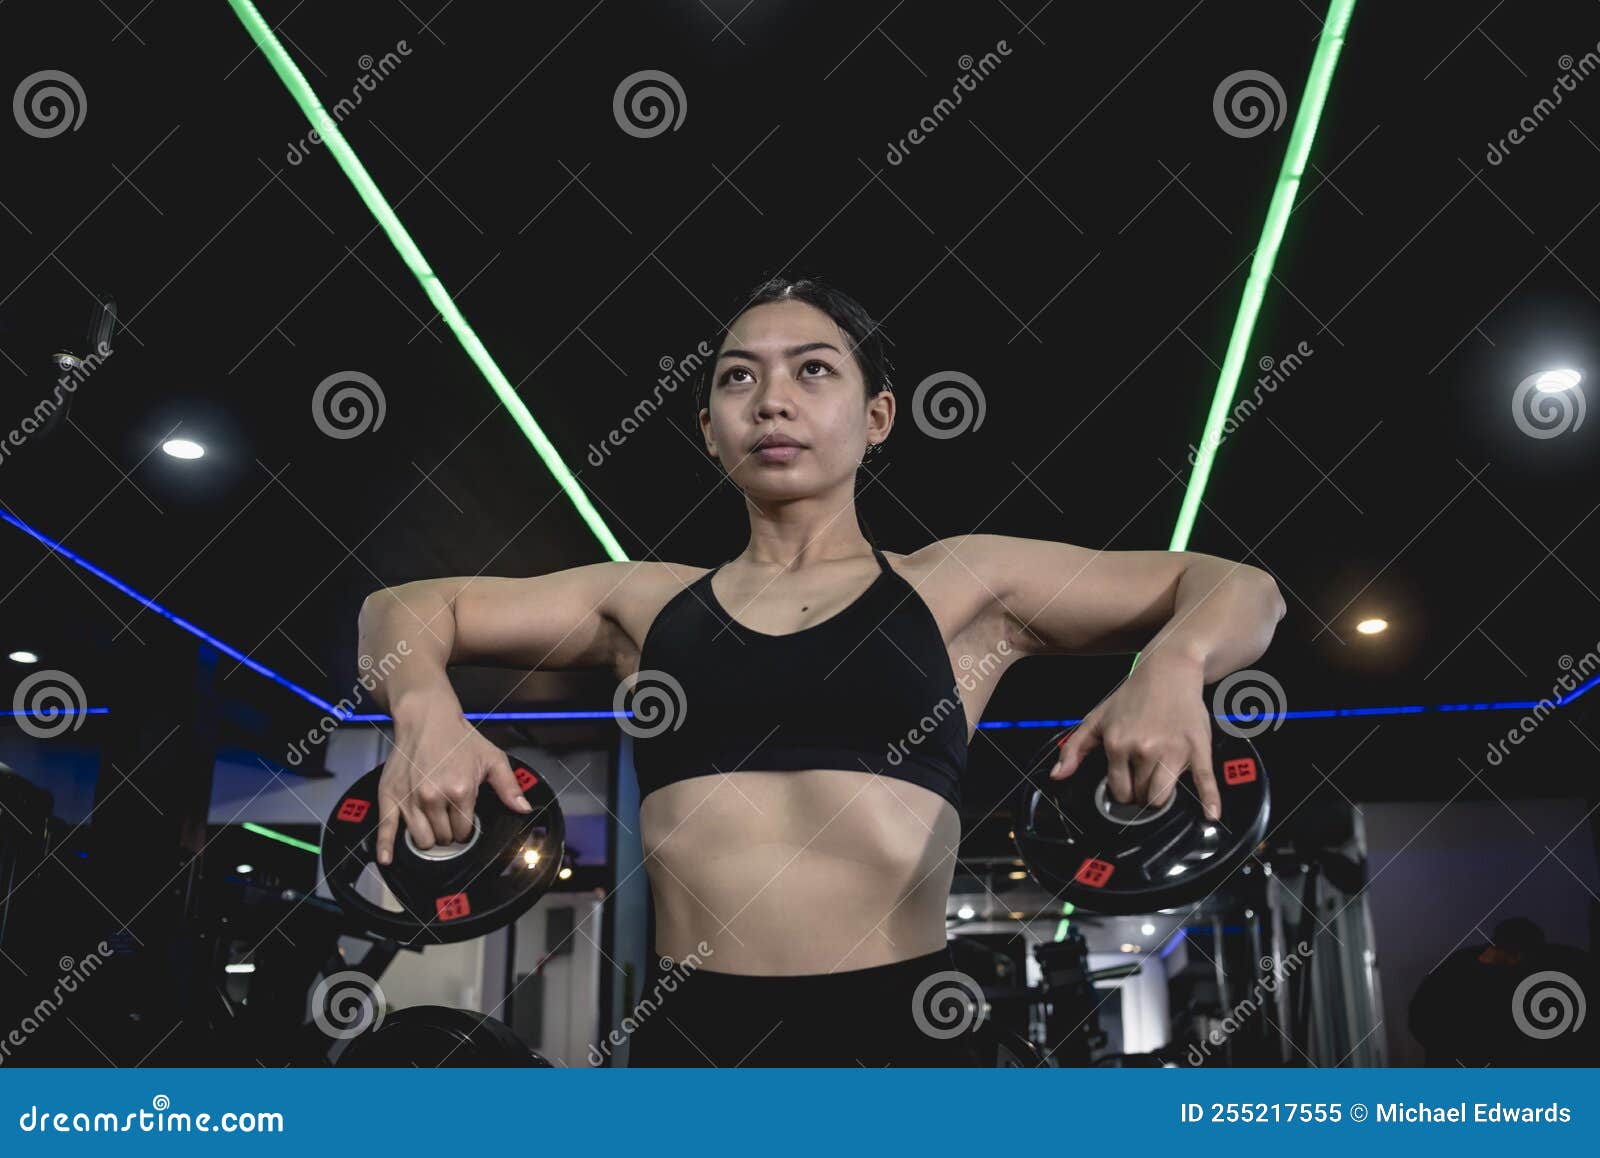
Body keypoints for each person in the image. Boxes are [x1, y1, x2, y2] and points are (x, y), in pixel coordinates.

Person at [356, 273, 1287, 1066]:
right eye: (737, 379)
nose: (773, 400)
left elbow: (1242, 589)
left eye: (813, 370)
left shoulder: (960, 588)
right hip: (698, 1035)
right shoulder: (641, 604)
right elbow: (397, 610)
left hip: (905, 1028)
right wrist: (427, 708)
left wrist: (1170, 666)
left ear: (877, 416)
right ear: (709, 431)